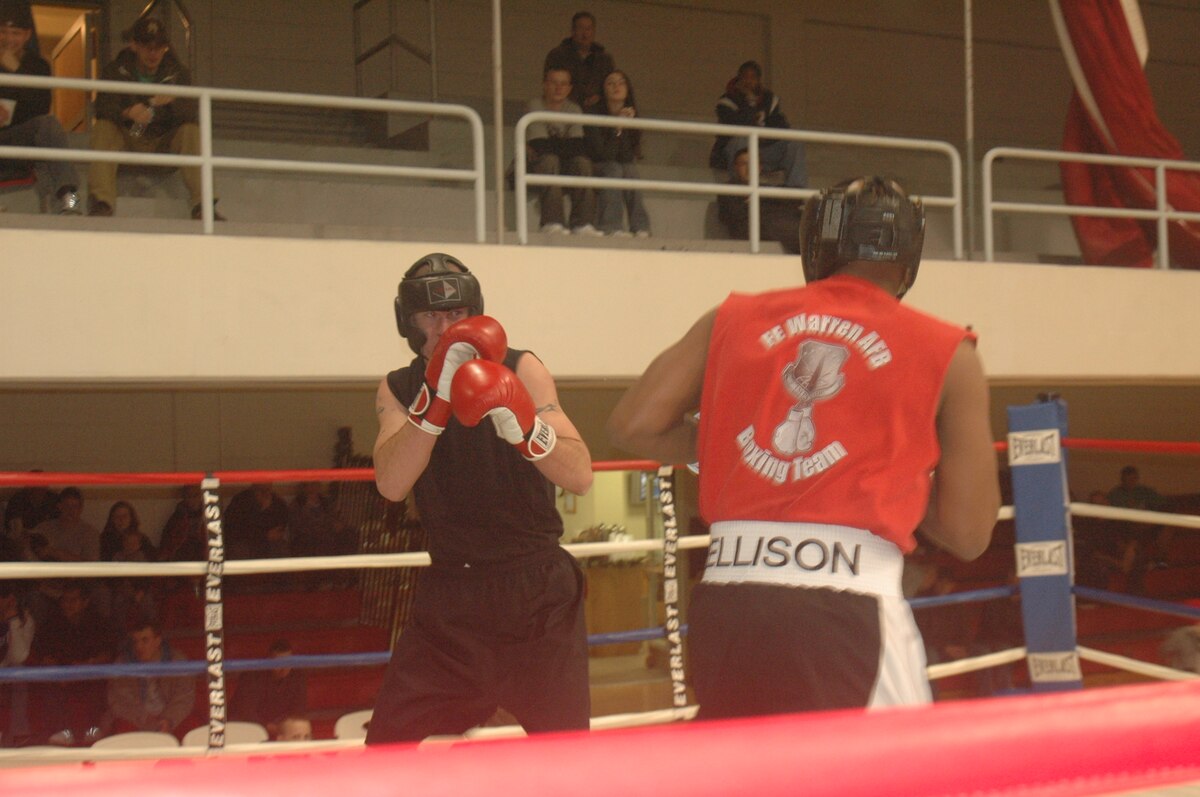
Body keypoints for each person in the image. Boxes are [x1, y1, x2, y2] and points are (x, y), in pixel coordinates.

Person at [607, 176, 1000, 717]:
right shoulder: (948, 350)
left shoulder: (731, 317)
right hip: (848, 606)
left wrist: (737, 451)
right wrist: (879, 467)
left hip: (729, 595)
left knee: (749, 776)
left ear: (817, 243)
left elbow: (634, 425)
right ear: (910, 255)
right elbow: (969, 533)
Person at [365, 252, 593, 744]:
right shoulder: (399, 388)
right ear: (409, 323)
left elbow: (580, 475)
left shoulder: (522, 368)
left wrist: (527, 430)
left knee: (567, 758)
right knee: (388, 746)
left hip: (536, 595)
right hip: (453, 597)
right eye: (432, 316)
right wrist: (434, 401)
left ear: (477, 317)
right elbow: (391, 483)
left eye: (456, 315)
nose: (446, 328)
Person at [88, 17, 222, 220]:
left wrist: (163, 106)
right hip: (130, 136)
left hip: (163, 140)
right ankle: (99, 202)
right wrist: (127, 112)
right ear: (134, 45)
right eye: (147, 46)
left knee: (192, 132)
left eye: (159, 47)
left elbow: (191, 112)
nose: (153, 53)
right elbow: (102, 106)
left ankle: (204, 205)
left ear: (166, 47)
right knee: (104, 128)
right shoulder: (116, 70)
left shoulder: (178, 73)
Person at [0, 0, 81, 213]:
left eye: (15, 33)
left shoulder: (38, 66)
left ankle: (69, 200)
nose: (9, 39)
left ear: (27, 35)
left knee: (48, 125)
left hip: (17, 138)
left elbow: (39, 109)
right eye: (4, 32)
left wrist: (17, 72)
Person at [708, 60, 807, 188]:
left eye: (753, 77)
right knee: (741, 139)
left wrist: (766, 136)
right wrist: (748, 101)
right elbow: (739, 126)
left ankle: (796, 193)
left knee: (795, 143)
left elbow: (781, 126)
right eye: (745, 77)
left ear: (759, 80)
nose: (749, 81)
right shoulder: (727, 101)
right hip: (736, 153)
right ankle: (739, 189)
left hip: (764, 151)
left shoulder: (769, 100)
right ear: (739, 79)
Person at [526, 66, 600, 236]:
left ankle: (582, 224)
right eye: (554, 83)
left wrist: (554, 144)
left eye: (563, 84)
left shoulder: (573, 109)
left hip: (563, 164)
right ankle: (552, 222)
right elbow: (539, 146)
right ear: (545, 85)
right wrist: (563, 145)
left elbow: (577, 147)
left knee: (582, 163)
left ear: (569, 88)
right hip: (534, 165)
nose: (558, 88)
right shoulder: (535, 105)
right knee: (550, 160)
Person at [584, 69, 650, 237]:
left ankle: (641, 227)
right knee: (613, 168)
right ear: (603, 89)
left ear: (628, 89)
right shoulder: (593, 114)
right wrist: (618, 127)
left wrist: (625, 126)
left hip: (618, 165)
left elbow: (627, 156)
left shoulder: (632, 115)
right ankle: (611, 226)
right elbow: (603, 154)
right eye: (611, 83)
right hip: (595, 165)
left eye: (621, 82)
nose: (616, 86)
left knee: (629, 170)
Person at [105, 618, 195, 736]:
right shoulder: (123, 664)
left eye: (144, 640)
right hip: (136, 719)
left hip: (171, 718)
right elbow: (119, 702)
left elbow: (184, 698)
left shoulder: (177, 661)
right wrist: (146, 720)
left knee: (193, 728)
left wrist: (168, 720)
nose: (139, 646)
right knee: (120, 730)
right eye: (135, 641)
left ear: (157, 641)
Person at [717, 147, 803, 253]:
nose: (749, 168)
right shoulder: (728, 189)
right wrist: (771, 202)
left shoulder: (767, 188)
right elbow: (733, 214)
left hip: (782, 224)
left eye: (753, 163)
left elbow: (797, 200)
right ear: (736, 167)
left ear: (759, 167)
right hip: (756, 228)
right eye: (744, 164)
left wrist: (759, 198)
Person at [231, 638, 307, 739]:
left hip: (283, 730)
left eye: (288, 662)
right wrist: (267, 726)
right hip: (249, 730)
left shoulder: (298, 677)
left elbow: (299, 709)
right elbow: (246, 712)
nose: (284, 668)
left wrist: (285, 726)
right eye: (279, 663)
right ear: (269, 660)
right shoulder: (251, 677)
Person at [543, 10, 616, 111]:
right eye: (580, 28)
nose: (584, 33)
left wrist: (600, 97)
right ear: (573, 31)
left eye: (588, 29)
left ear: (594, 31)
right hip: (564, 110)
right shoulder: (557, 55)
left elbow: (611, 85)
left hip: (597, 112)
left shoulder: (605, 59)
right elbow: (549, 85)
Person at [31, 487, 99, 562]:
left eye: (74, 507)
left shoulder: (90, 533)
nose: (70, 510)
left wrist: (54, 553)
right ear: (60, 507)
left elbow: (90, 564)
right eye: (67, 506)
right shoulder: (43, 528)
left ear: (81, 508)